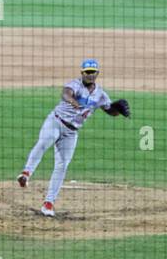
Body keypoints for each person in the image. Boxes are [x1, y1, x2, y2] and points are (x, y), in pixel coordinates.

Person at [17, 59, 130, 217]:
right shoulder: (75, 85)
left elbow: (110, 110)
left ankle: (48, 203)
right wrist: (73, 101)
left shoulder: (101, 95)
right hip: (55, 122)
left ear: (97, 73)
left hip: (71, 132)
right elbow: (66, 93)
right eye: (87, 72)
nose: (90, 75)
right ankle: (26, 173)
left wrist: (118, 110)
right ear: (82, 73)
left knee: (62, 165)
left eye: (93, 72)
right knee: (44, 142)